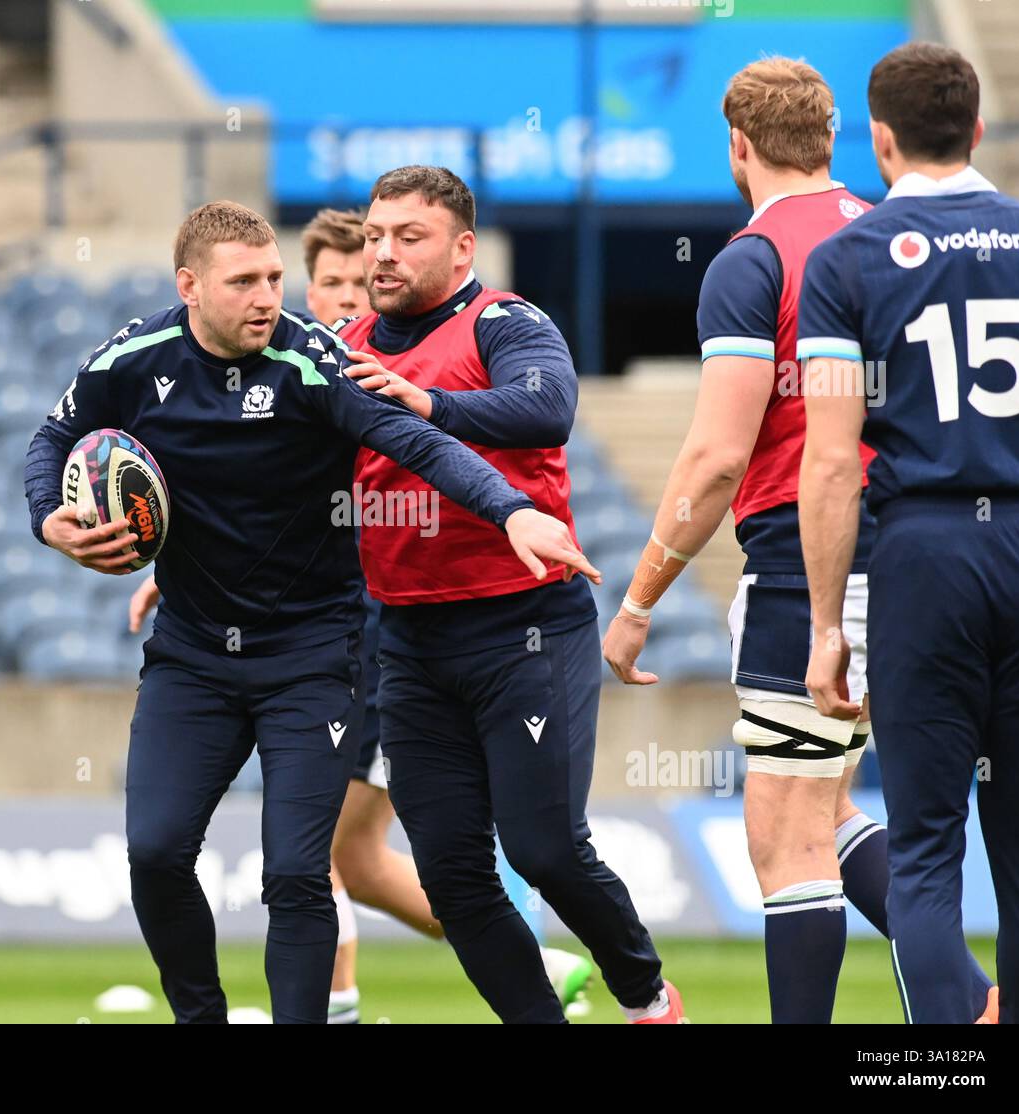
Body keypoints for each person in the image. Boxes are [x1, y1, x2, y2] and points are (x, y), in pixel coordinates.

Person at [24, 200, 597, 1024]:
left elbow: (421, 443)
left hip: (311, 659)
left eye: (274, 279)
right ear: (189, 287)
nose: (267, 297)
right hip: (192, 656)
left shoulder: (313, 360)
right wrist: (52, 520)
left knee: (296, 873)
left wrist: (510, 509)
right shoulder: (133, 357)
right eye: (243, 282)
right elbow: (52, 439)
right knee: (154, 853)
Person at [600, 56, 996, 1023]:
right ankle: (973, 1008)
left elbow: (716, 460)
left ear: (739, 147)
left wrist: (641, 598)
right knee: (832, 810)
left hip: (806, 568)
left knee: (784, 835)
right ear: (839, 140)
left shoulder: (753, 258)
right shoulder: (890, 234)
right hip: (930, 554)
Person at [340, 165, 684, 1024]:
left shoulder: (505, 321)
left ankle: (646, 997)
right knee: (454, 877)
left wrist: (428, 402)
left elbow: (547, 407)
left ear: (462, 247)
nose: (384, 252)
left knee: (545, 850)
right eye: (375, 235)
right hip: (412, 644)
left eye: (407, 237)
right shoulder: (345, 345)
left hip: (523, 628)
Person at [798, 41, 1019, 1024]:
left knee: (928, 849)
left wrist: (825, 623)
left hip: (923, 553)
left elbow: (827, 459)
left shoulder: (845, 259)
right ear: (978, 130)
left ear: (878, 141)